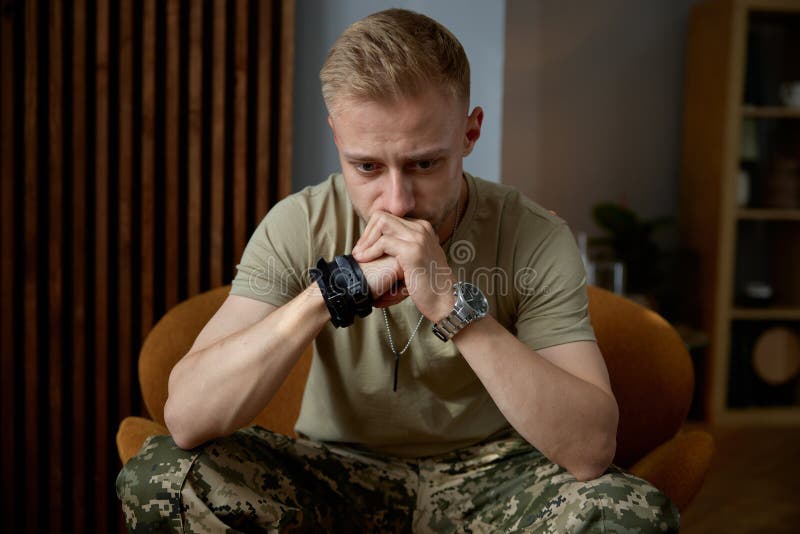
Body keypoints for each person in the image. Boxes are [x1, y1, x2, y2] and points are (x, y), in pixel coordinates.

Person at [117, 9, 678, 533]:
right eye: (366, 166)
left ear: (469, 133)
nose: (397, 200)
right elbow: (186, 417)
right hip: (335, 473)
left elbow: (590, 449)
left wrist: (452, 307)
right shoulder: (298, 223)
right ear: (337, 136)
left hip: (494, 478)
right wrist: (330, 293)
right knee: (162, 477)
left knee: (630, 512)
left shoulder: (535, 235)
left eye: (425, 163)